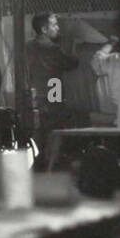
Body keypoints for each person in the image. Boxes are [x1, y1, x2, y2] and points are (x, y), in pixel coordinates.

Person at [25, 12, 80, 150]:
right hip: (53, 92)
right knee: (54, 129)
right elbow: (71, 63)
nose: (58, 28)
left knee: (38, 131)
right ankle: (51, 162)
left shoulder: (27, 46)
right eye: (54, 25)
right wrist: (75, 46)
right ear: (44, 29)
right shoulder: (52, 48)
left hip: (34, 93)